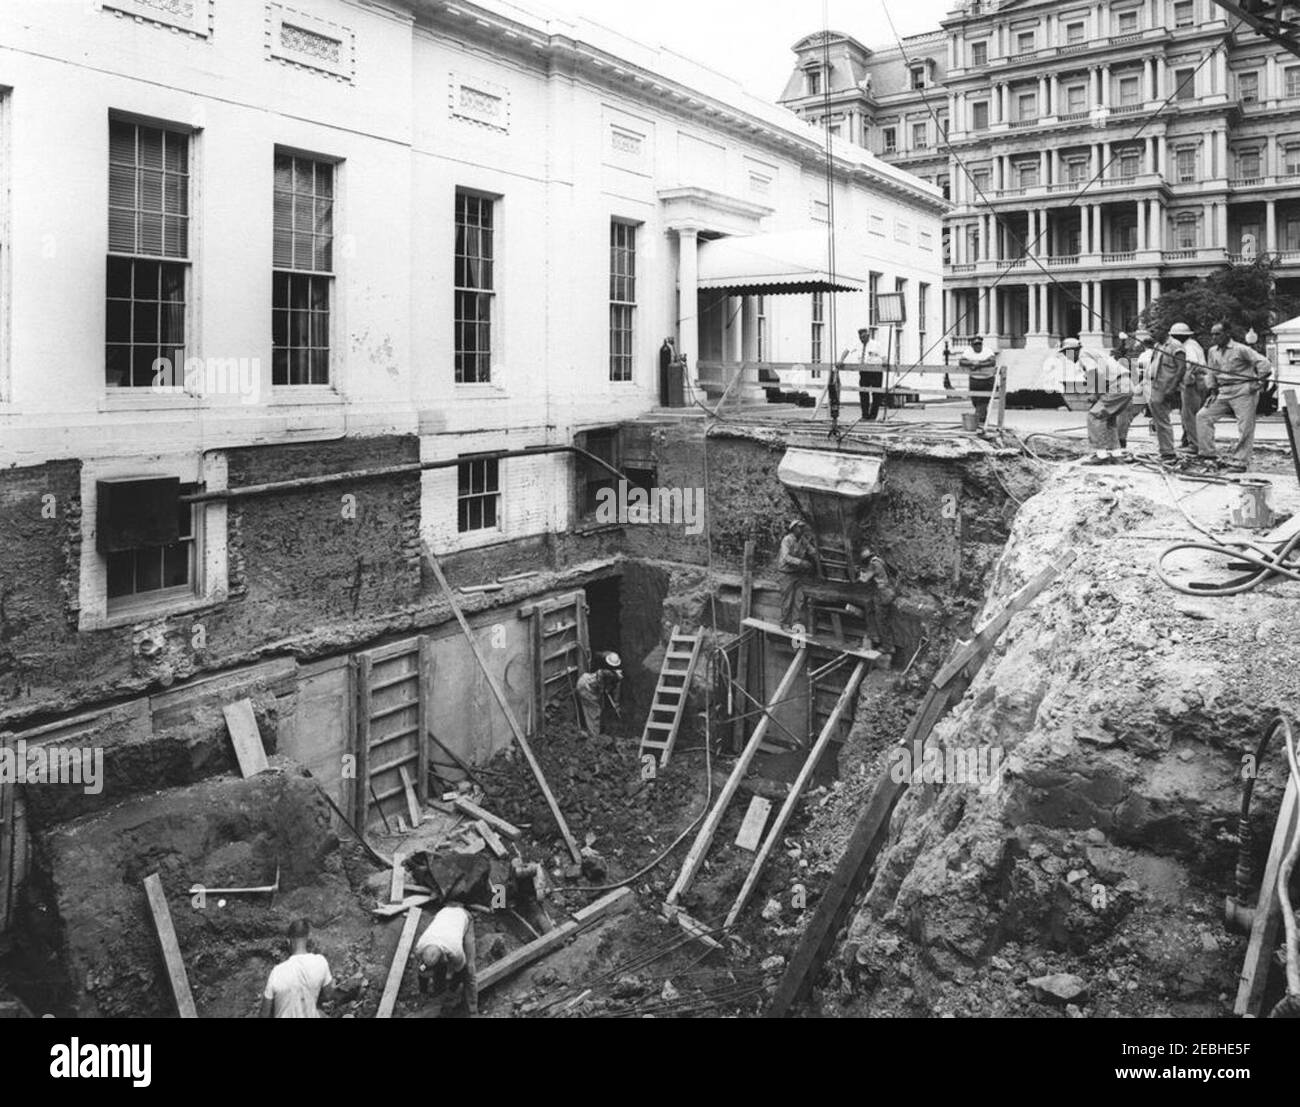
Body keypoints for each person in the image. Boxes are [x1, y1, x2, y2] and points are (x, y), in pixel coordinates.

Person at [1196, 322, 1275, 472]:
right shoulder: (1213, 351)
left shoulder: (1241, 349)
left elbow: (1264, 364)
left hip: (1243, 390)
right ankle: (1208, 454)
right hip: (1223, 391)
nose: (1214, 337)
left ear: (1227, 334)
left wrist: (1258, 383)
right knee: (1203, 416)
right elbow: (1211, 372)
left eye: (1217, 334)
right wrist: (1212, 392)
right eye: (1212, 334)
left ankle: (1240, 461)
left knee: (1245, 426)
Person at [260, 918, 335, 1018]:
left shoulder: (277, 972)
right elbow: (330, 995)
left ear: (288, 941)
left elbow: (264, 1014)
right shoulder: (321, 962)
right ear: (307, 939)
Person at [415, 903, 478, 1016]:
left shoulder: (455, 951)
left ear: (444, 957)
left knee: (469, 969)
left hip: (463, 916)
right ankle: (439, 989)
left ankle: (472, 1010)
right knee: (438, 973)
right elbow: (422, 970)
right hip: (444, 912)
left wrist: (451, 991)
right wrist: (423, 991)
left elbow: (460, 971)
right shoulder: (420, 948)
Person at [1147, 324, 1188, 462]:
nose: (1151, 334)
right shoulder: (1159, 346)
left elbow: (1181, 367)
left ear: (1163, 330)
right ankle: (1165, 450)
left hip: (1166, 387)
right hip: (1156, 386)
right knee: (1158, 420)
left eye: (1154, 330)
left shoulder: (1175, 346)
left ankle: (1168, 452)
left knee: (1163, 420)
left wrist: (1172, 388)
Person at [851, 546, 896, 662]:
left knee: (881, 621)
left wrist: (859, 573)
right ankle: (887, 644)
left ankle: (887, 647)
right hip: (889, 591)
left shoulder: (873, 564)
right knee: (884, 620)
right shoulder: (879, 560)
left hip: (883, 594)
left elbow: (865, 579)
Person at [1086, 349, 1133, 452]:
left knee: (1094, 416)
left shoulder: (1084, 357)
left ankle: (1099, 454)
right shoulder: (1104, 360)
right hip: (1126, 384)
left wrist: (1095, 395)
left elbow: (1100, 378)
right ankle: (1115, 453)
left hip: (1119, 385)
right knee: (1109, 419)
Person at [778, 518, 819, 629]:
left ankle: (794, 623)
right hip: (786, 574)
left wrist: (818, 556)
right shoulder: (787, 540)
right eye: (800, 528)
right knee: (787, 600)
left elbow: (812, 551)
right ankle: (784, 623)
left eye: (803, 528)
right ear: (794, 529)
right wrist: (802, 562)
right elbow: (786, 558)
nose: (802, 530)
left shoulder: (803, 540)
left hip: (797, 574)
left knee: (799, 600)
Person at [839, 326, 884, 422]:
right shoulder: (857, 344)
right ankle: (865, 415)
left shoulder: (876, 344)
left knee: (876, 394)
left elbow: (884, 356)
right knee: (863, 392)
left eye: (864, 337)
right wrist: (841, 360)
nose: (862, 339)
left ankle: (873, 416)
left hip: (876, 371)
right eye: (860, 337)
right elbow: (847, 350)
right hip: (864, 371)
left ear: (868, 335)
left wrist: (885, 363)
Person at [1175, 322, 1208, 453]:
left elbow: (1192, 364)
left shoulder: (1187, 347)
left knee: (1189, 415)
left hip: (1192, 383)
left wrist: (1186, 377)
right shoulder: (1194, 344)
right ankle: (1187, 440)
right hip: (1200, 382)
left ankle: (1194, 444)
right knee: (1189, 414)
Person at [958, 335, 998, 424]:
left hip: (987, 379)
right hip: (974, 380)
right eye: (975, 344)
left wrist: (979, 364)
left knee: (983, 401)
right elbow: (961, 361)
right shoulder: (968, 351)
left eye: (979, 344)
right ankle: (983, 419)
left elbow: (992, 361)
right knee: (975, 401)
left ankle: (979, 421)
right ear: (972, 345)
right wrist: (972, 362)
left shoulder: (987, 351)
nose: (977, 346)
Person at [575, 665, 621, 737]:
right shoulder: (604, 674)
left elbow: (611, 690)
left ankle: (598, 729)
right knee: (595, 711)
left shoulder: (612, 676)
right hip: (585, 687)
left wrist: (616, 703)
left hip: (587, 681)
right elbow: (601, 685)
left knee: (600, 706)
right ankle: (595, 736)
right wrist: (604, 687)